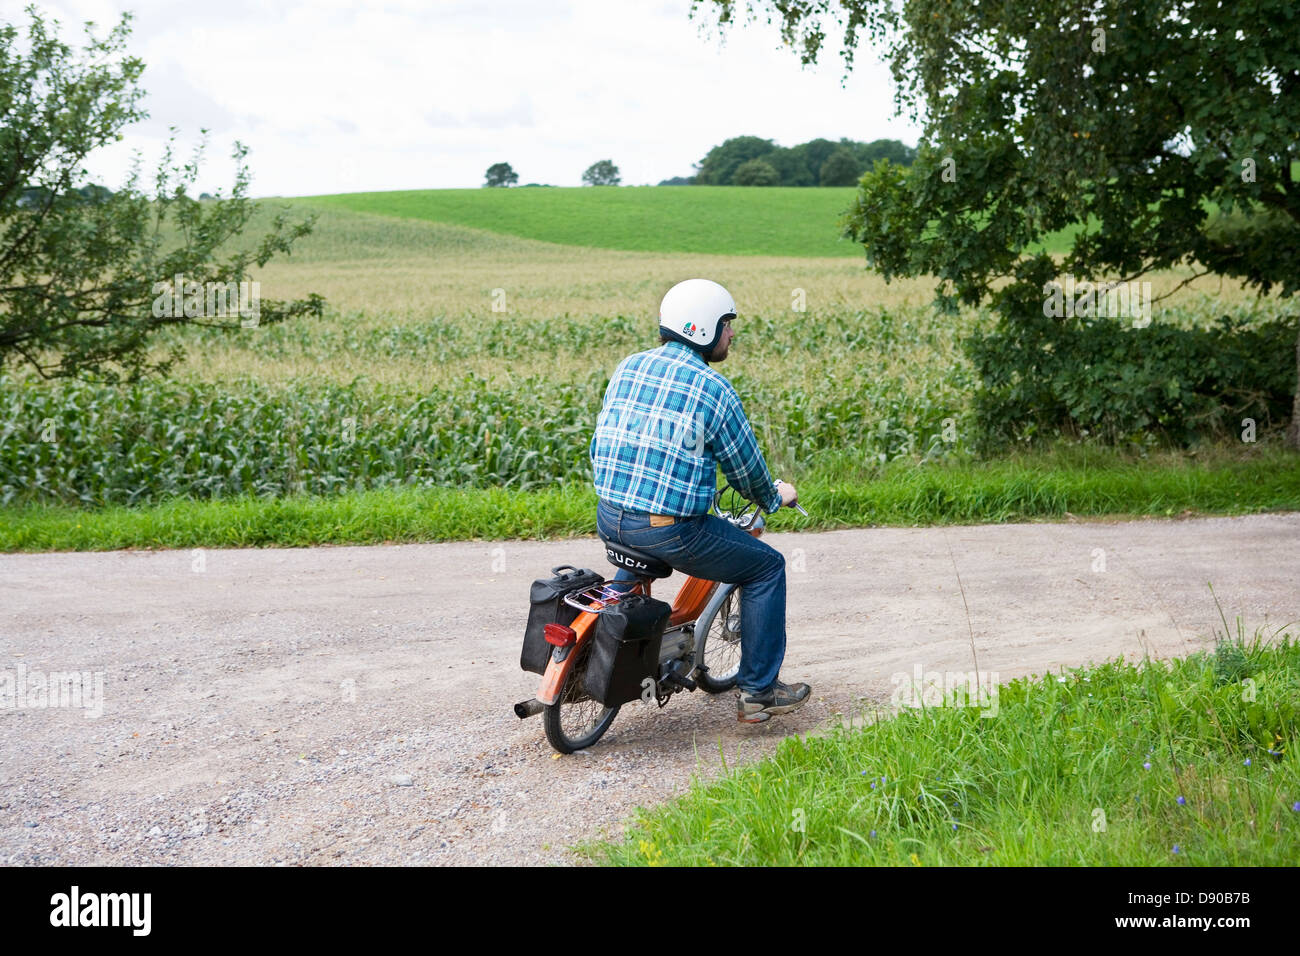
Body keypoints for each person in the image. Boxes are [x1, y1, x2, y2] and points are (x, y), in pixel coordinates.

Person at [589, 278, 811, 723]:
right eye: (727, 325)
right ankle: (758, 692)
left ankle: (608, 636)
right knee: (766, 567)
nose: (732, 334)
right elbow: (746, 472)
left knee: (638, 552)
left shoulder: (629, 366)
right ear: (705, 329)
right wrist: (775, 496)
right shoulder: (713, 389)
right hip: (671, 530)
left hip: (609, 518)